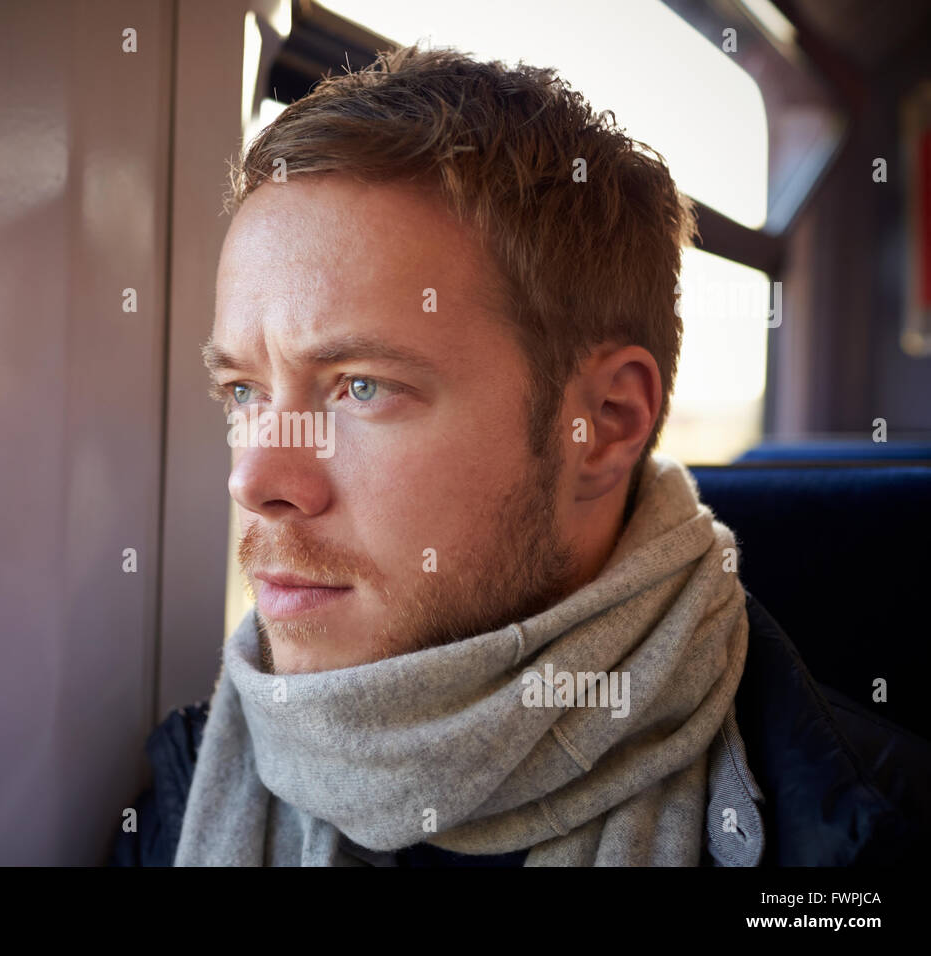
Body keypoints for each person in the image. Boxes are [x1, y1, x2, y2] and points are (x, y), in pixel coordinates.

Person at [110, 44, 925, 867]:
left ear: (604, 423)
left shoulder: (858, 837)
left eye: (359, 388)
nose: (253, 479)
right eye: (244, 393)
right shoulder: (183, 797)